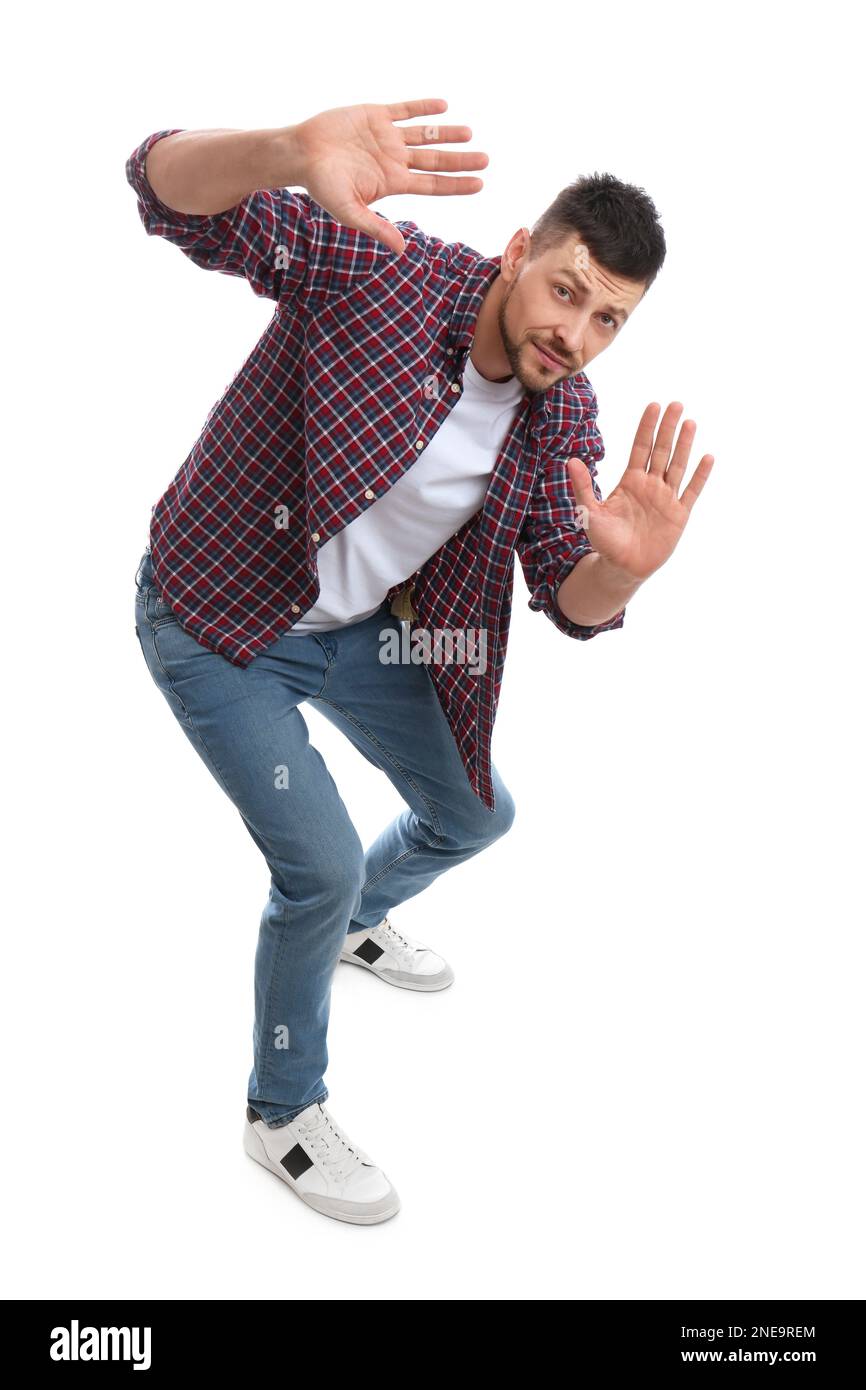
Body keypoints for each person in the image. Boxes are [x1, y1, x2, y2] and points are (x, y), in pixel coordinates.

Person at [126, 97, 714, 1226]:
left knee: (478, 812)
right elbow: (159, 189)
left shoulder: (562, 417)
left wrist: (622, 574)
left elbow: (566, 595)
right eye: (564, 292)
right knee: (321, 862)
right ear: (514, 256)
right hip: (217, 619)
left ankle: (350, 919)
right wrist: (285, 154)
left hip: (364, 633)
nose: (574, 335)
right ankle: (282, 1112)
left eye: (606, 320)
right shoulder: (385, 275)